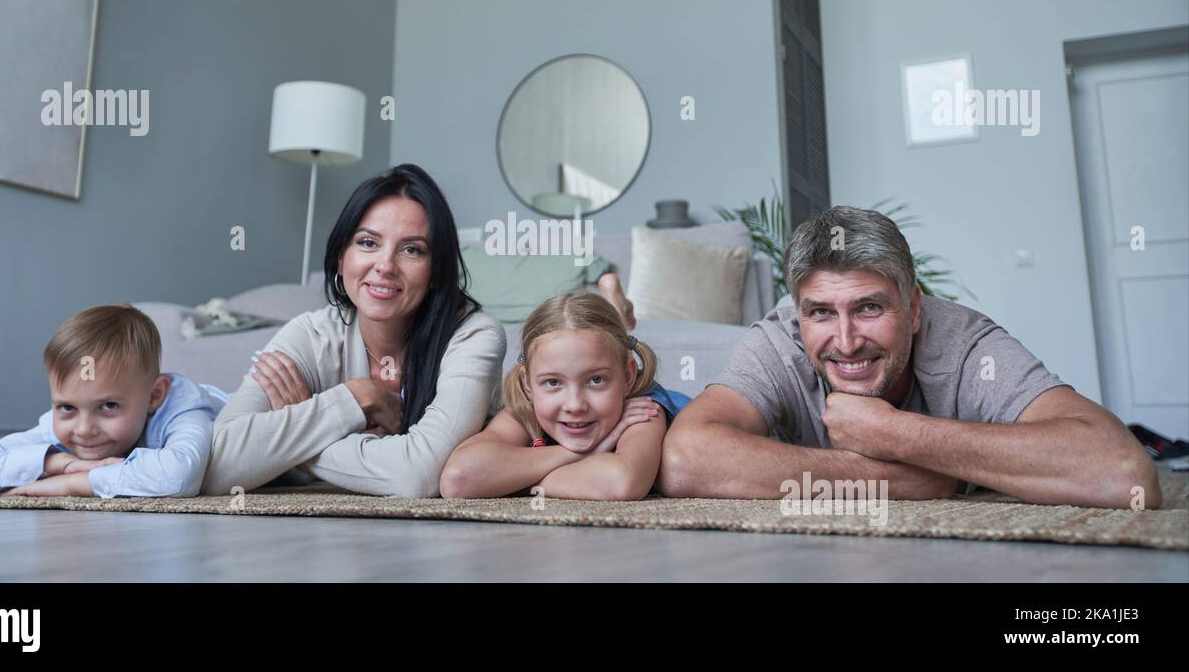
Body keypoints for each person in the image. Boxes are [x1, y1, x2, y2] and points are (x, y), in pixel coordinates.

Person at [660, 206, 1161, 509]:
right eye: (820, 313)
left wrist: (896, 433)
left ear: (914, 308)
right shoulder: (779, 341)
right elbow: (686, 460)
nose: (847, 340)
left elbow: (1122, 470)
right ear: (798, 313)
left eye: (870, 308)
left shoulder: (965, 344)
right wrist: (897, 480)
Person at [201, 164, 506, 498]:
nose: (386, 266)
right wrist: (357, 398)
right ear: (341, 258)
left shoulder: (474, 336)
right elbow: (217, 466)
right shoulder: (309, 335)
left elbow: (417, 477)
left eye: (411, 250)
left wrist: (297, 437)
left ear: (435, 271)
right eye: (367, 242)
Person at [0, 304, 226, 498]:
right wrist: (59, 463)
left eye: (108, 406)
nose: (83, 429)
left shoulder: (182, 406)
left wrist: (72, 484)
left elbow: (178, 478)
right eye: (66, 407)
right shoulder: (60, 430)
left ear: (154, 396)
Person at [440, 291, 689, 500]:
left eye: (596, 380)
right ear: (528, 384)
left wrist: (511, 481)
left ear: (627, 377)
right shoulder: (529, 405)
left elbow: (621, 482)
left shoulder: (643, 407)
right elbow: (458, 478)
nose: (575, 405)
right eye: (552, 382)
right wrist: (583, 454)